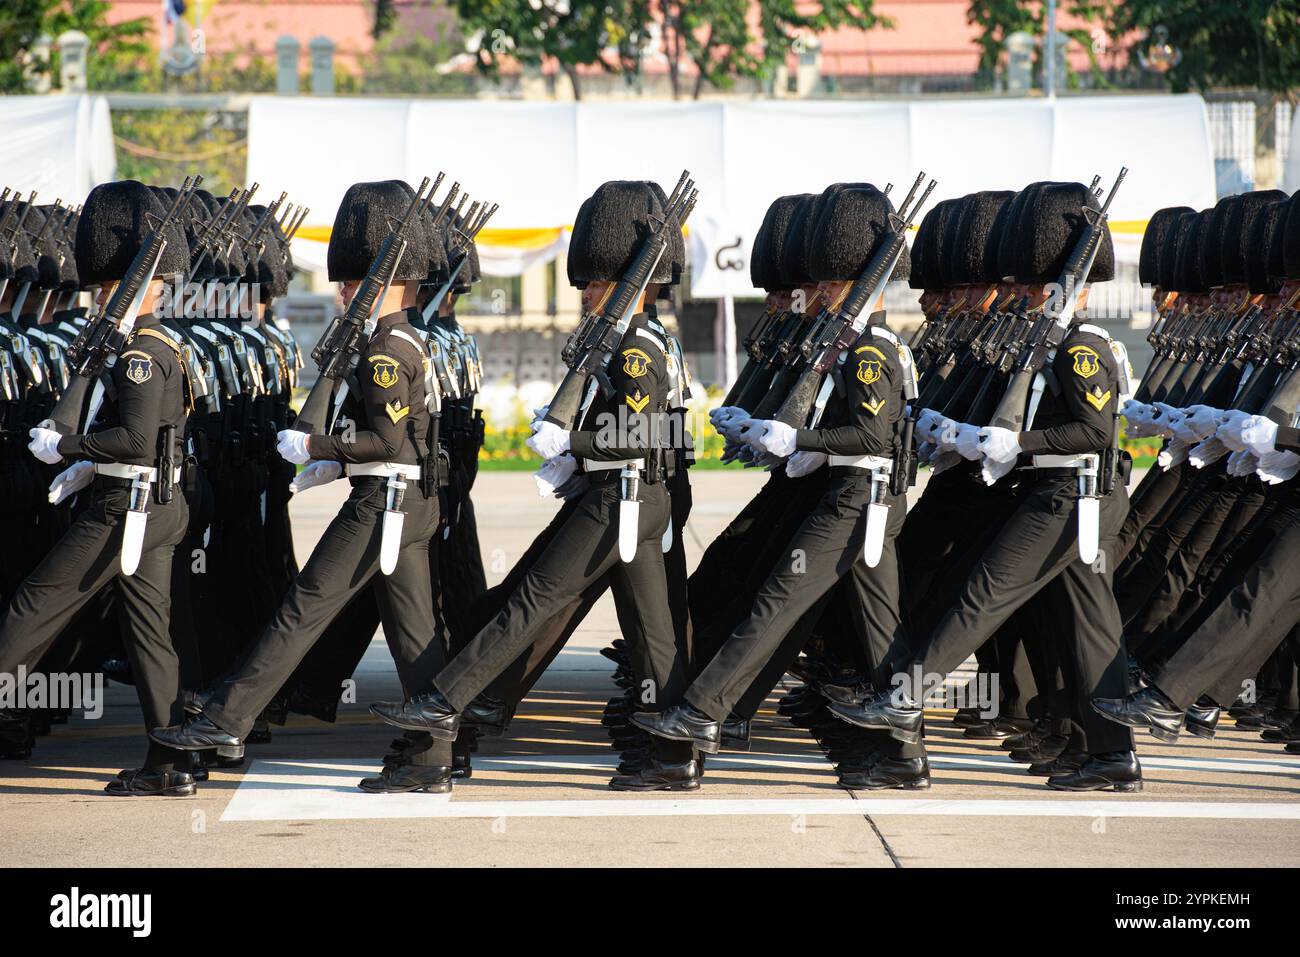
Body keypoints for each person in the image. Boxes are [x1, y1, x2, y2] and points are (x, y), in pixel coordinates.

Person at [369, 179, 698, 792]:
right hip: (627, 497)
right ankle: (670, 753)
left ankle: (447, 702)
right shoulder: (644, 339)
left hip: (622, 498)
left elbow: (637, 438)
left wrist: (568, 445)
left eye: (598, 280)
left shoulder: (634, 350)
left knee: (533, 600)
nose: (588, 289)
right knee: (652, 628)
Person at [149, 179, 454, 794]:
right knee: (415, 632)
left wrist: (317, 447)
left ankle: (225, 718)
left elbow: (388, 444)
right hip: (407, 502)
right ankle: (433, 757)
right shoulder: (406, 337)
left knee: (301, 610)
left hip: (383, 504)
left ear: (381, 280)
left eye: (349, 280)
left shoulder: (386, 351)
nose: (341, 290)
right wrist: (336, 464)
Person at [0, 180, 196, 795]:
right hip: (154, 503)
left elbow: (135, 440)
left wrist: (71, 448)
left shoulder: (139, 353)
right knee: (148, 636)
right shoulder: (159, 343)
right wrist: (86, 464)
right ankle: (170, 761)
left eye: (108, 285)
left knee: (33, 606)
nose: (100, 293)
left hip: (125, 509)